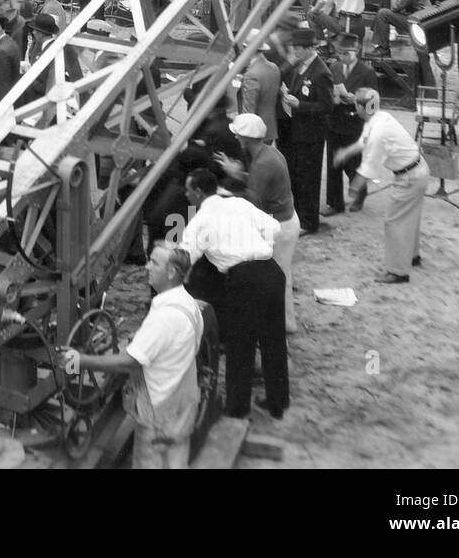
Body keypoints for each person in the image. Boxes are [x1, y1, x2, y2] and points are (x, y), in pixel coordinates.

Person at [60, 244, 203, 469]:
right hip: (183, 405)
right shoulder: (190, 305)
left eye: (154, 262)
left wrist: (80, 360)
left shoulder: (164, 318)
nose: (146, 266)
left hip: (159, 413)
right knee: (175, 460)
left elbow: (129, 362)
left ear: (172, 272)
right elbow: (176, 345)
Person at [180, 168, 288, 419]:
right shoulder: (239, 204)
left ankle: (237, 408)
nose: (185, 195)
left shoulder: (200, 221)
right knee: (274, 340)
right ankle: (277, 402)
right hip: (271, 272)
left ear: (197, 192)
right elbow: (274, 227)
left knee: (241, 343)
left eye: (187, 190)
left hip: (244, 278)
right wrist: (255, 247)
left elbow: (185, 257)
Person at [330, 89, 429, 283]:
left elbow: (369, 167)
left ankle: (398, 271)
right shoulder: (380, 117)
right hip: (417, 171)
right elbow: (362, 141)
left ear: (361, 107)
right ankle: (412, 256)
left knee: (394, 222)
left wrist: (354, 189)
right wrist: (345, 152)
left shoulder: (378, 132)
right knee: (410, 217)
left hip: (409, 177)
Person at [217, 113, 299, 334]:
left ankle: (284, 323)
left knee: (278, 277)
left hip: (280, 225)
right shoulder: (269, 153)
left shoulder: (263, 163)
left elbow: (253, 201)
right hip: (286, 220)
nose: (236, 139)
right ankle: (286, 321)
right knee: (283, 275)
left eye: (238, 136)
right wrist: (239, 174)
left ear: (245, 138)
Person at [278, 27, 334, 235]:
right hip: (299, 131)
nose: (295, 52)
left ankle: (309, 221)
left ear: (309, 48)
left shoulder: (321, 72)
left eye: (298, 49)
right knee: (299, 176)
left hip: (312, 134)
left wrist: (300, 105)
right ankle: (301, 216)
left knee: (309, 178)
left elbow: (327, 106)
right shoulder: (300, 67)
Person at [325, 32, 379, 215]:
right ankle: (334, 202)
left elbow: (374, 103)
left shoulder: (367, 72)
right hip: (335, 121)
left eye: (346, 54)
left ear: (355, 51)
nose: (342, 58)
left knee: (354, 164)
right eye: (340, 54)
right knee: (333, 165)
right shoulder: (334, 68)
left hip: (355, 124)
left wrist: (356, 100)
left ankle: (359, 196)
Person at [238, 32, 281, 145]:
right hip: (270, 127)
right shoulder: (274, 68)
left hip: (254, 132)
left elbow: (248, 110)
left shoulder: (251, 74)